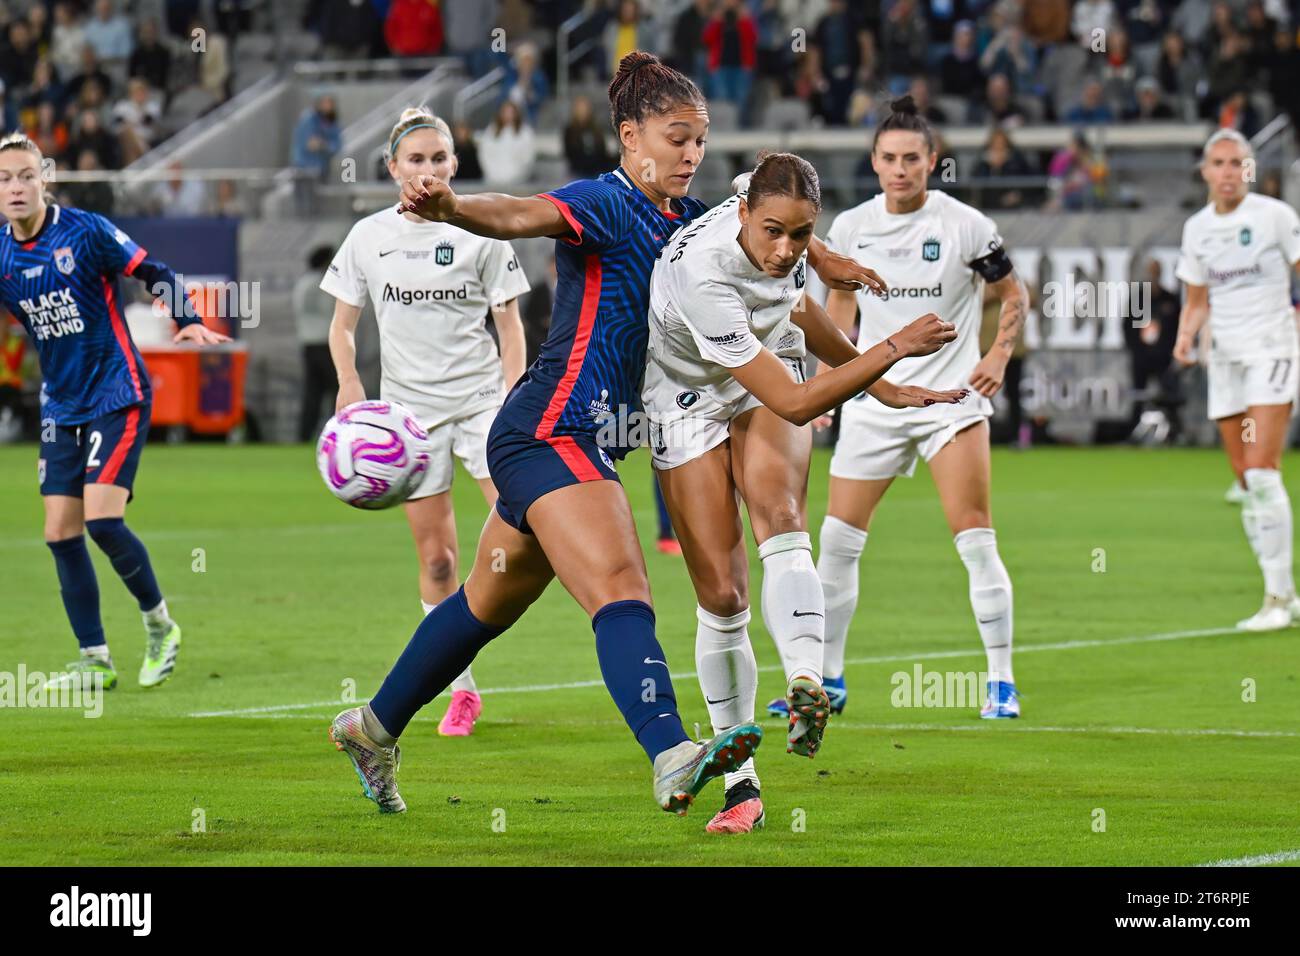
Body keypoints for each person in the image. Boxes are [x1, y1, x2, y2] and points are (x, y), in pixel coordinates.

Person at [328, 51, 883, 816]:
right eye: (675, 137)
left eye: (700, 139)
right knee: (622, 589)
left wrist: (819, 252)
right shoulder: (604, 201)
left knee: (482, 605)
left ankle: (372, 726)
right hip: (551, 426)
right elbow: (521, 211)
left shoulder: (693, 222)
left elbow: (762, 225)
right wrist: (454, 209)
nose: (691, 153)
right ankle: (670, 754)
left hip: (590, 439)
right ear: (630, 135)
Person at [646, 152, 963, 832]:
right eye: (774, 233)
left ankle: (805, 682)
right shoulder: (703, 273)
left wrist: (877, 383)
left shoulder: (769, 217)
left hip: (767, 366)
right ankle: (741, 787)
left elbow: (798, 310)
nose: (786, 249)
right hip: (684, 397)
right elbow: (794, 404)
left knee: (783, 518)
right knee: (722, 595)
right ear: (742, 216)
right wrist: (891, 349)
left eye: (802, 234)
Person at [775, 96, 1030, 724]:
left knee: (973, 538)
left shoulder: (967, 225)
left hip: (950, 404)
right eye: (888, 158)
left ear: (932, 161)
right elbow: (839, 314)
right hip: (874, 404)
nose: (900, 169)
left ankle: (1001, 681)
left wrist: (998, 355)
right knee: (835, 543)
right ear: (874, 161)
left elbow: (1012, 291)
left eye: (911, 158)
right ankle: (828, 679)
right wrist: (832, 383)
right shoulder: (853, 228)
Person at [321, 108, 530, 736]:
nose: (428, 169)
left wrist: (513, 398)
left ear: (454, 167)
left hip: (482, 408)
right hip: (407, 422)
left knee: (526, 531)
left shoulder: (481, 231)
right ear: (393, 169)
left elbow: (510, 327)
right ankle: (460, 692)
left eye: (439, 159)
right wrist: (352, 383)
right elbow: (342, 326)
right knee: (438, 561)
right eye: (416, 159)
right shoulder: (367, 237)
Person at [0, 132, 228, 693]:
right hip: (60, 404)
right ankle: (94, 658)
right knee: (59, 531)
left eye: (27, 175)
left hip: (116, 392)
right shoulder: (2, 254)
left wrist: (185, 319)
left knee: (102, 520)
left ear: (45, 178)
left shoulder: (85, 230)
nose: (16, 187)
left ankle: (160, 626)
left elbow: (154, 270)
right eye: (5, 179)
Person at [1173, 129, 1300, 630]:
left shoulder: (1275, 216)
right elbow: (1198, 300)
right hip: (1223, 360)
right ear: (1205, 171)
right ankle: (1287, 594)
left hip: (1272, 350)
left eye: (1237, 163)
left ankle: (1274, 598)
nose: (1228, 172)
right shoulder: (1197, 229)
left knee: (1263, 469)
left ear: (1250, 170)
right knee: (1246, 479)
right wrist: (1185, 337)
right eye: (1219, 163)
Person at [295, 245, 336, 442]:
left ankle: (304, 435)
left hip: (308, 344)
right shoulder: (323, 283)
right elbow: (333, 312)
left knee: (313, 392)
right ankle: (337, 432)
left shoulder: (302, 283)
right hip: (324, 343)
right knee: (338, 388)